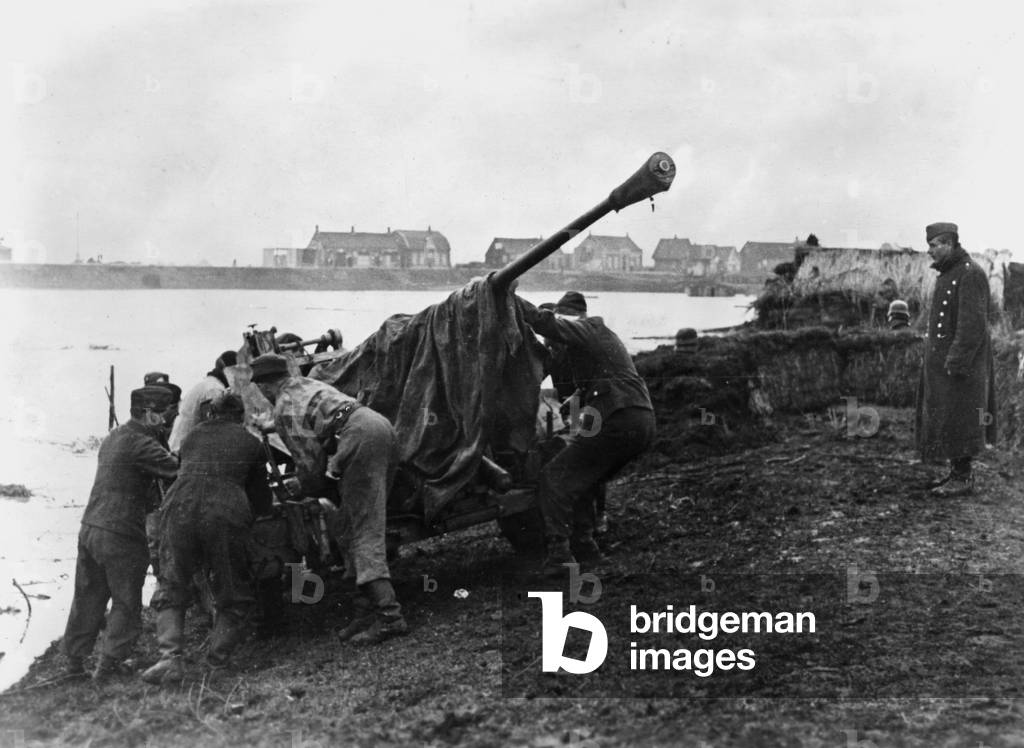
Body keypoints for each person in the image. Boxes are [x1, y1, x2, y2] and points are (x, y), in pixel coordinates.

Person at [249, 353, 408, 644]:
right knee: (348, 528)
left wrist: (302, 486)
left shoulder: (284, 407)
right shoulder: (303, 383)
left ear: (263, 387)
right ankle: (364, 612)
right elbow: (316, 418)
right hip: (377, 426)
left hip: (359, 438)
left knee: (363, 531)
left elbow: (310, 467)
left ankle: (390, 617)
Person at [519, 291, 656, 574]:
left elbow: (545, 322)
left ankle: (560, 557)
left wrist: (506, 296)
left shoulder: (590, 327)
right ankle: (587, 549)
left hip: (618, 418)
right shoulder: (593, 342)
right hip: (640, 420)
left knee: (554, 478)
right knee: (582, 478)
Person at [141, 393, 273, 684]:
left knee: (172, 582)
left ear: (211, 414)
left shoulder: (191, 437)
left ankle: (170, 658)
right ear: (240, 416)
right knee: (233, 588)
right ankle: (218, 661)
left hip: (178, 509)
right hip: (224, 514)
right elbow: (261, 499)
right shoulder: (251, 443)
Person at [62, 386, 179, 680]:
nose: (171, 417)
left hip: (91, 526)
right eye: (167, 413)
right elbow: (178, 469)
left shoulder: (115, 437)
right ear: (150, 414)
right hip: (120, 532)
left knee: (87, 597)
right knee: (126, 601)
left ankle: (74, 664)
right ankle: (108, 666)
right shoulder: (142, 444)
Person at [916, 222, 997, 497]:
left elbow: (973, 325)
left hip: (962, 366)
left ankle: (963, 477)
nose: (930, 251)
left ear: (949, 243)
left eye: (934, 245)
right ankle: (956, 472)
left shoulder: (970, 274)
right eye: (929, 245)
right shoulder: (948, 273)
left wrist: (957, 361)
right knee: (949, 417)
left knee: (961, 417)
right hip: (943, 365)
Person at [168, 351, 238, 452]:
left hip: (179, 448)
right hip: (186, 453)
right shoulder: (214, 390)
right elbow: (212, 430)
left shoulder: (206, 385)